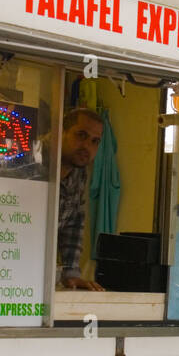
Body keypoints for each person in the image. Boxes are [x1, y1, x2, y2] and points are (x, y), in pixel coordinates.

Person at [53, 107, 105, 291]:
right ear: (61, 131)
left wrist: (70, 274)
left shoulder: (79, 172)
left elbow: (73, 223)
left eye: (94, 141)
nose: (87, 146)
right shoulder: (33, 159)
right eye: (81, 135)